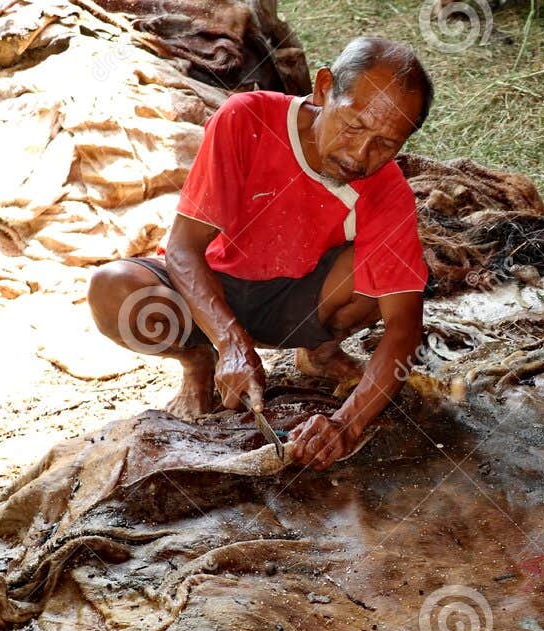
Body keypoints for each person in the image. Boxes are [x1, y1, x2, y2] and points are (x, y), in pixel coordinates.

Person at [86, 37, 433, 470]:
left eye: (386, 143)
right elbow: (182, 248)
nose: (361, 156)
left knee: (393, 278)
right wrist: (230, 343)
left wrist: (346, 424)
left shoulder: (388, 190)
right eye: (354, 126)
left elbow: (404, 326)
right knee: (115, 290)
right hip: (212, 290)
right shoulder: (247, 117)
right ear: (324, 88)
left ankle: (319, 353)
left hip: (296, 302)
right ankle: (199, 360)